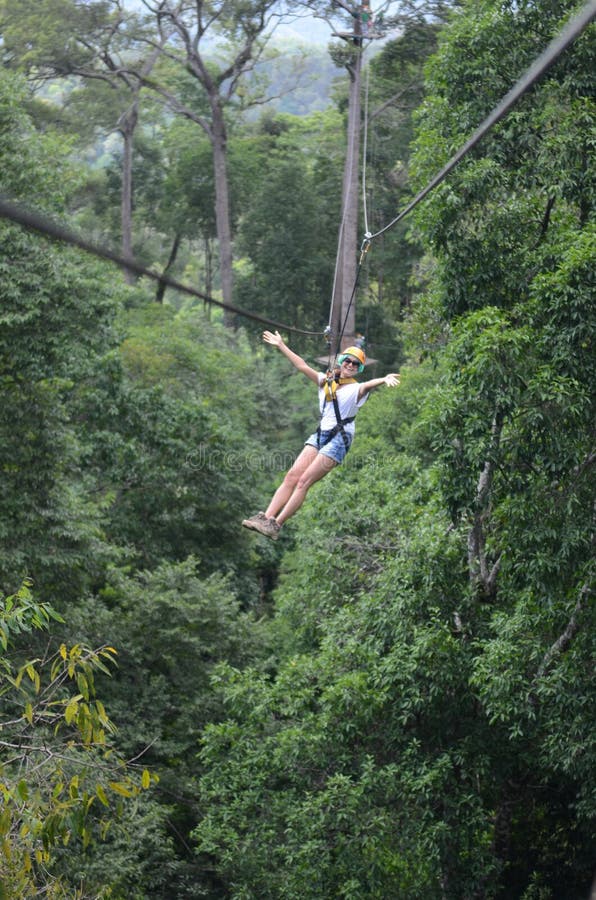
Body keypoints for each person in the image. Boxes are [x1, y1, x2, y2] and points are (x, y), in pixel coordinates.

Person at [242, 330, 400, 539]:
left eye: (355, 364)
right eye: (348, 361)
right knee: (292, 476)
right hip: (321, 434)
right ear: (342, 361)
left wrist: (383, 379)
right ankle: (266, 517)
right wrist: (281, 345)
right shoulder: (326, 382)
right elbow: (301, 366)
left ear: (359, 368)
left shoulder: (356, 389)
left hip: (339, 439)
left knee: (304, 481)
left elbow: (367, 385)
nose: (351, 365)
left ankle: (276, 525)